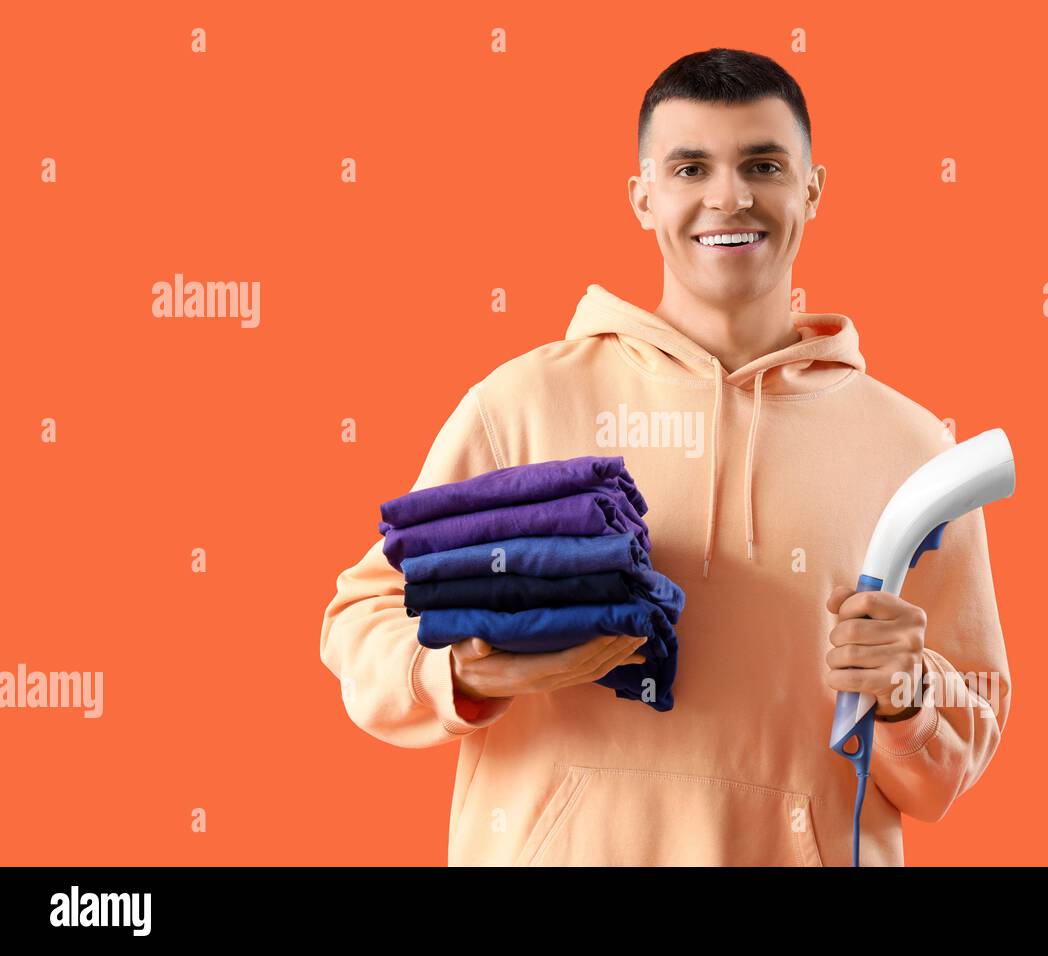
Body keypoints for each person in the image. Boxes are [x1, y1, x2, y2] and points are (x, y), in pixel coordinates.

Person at [319, 47, 1011, 866]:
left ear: (813, 189)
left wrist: (912, 697)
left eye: (763, 163)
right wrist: (461, 674)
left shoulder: (914, 451)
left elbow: (962, 743)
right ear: (643, 198)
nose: (730, 196)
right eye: (690, 168)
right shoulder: (520, 405)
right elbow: (361, 621)